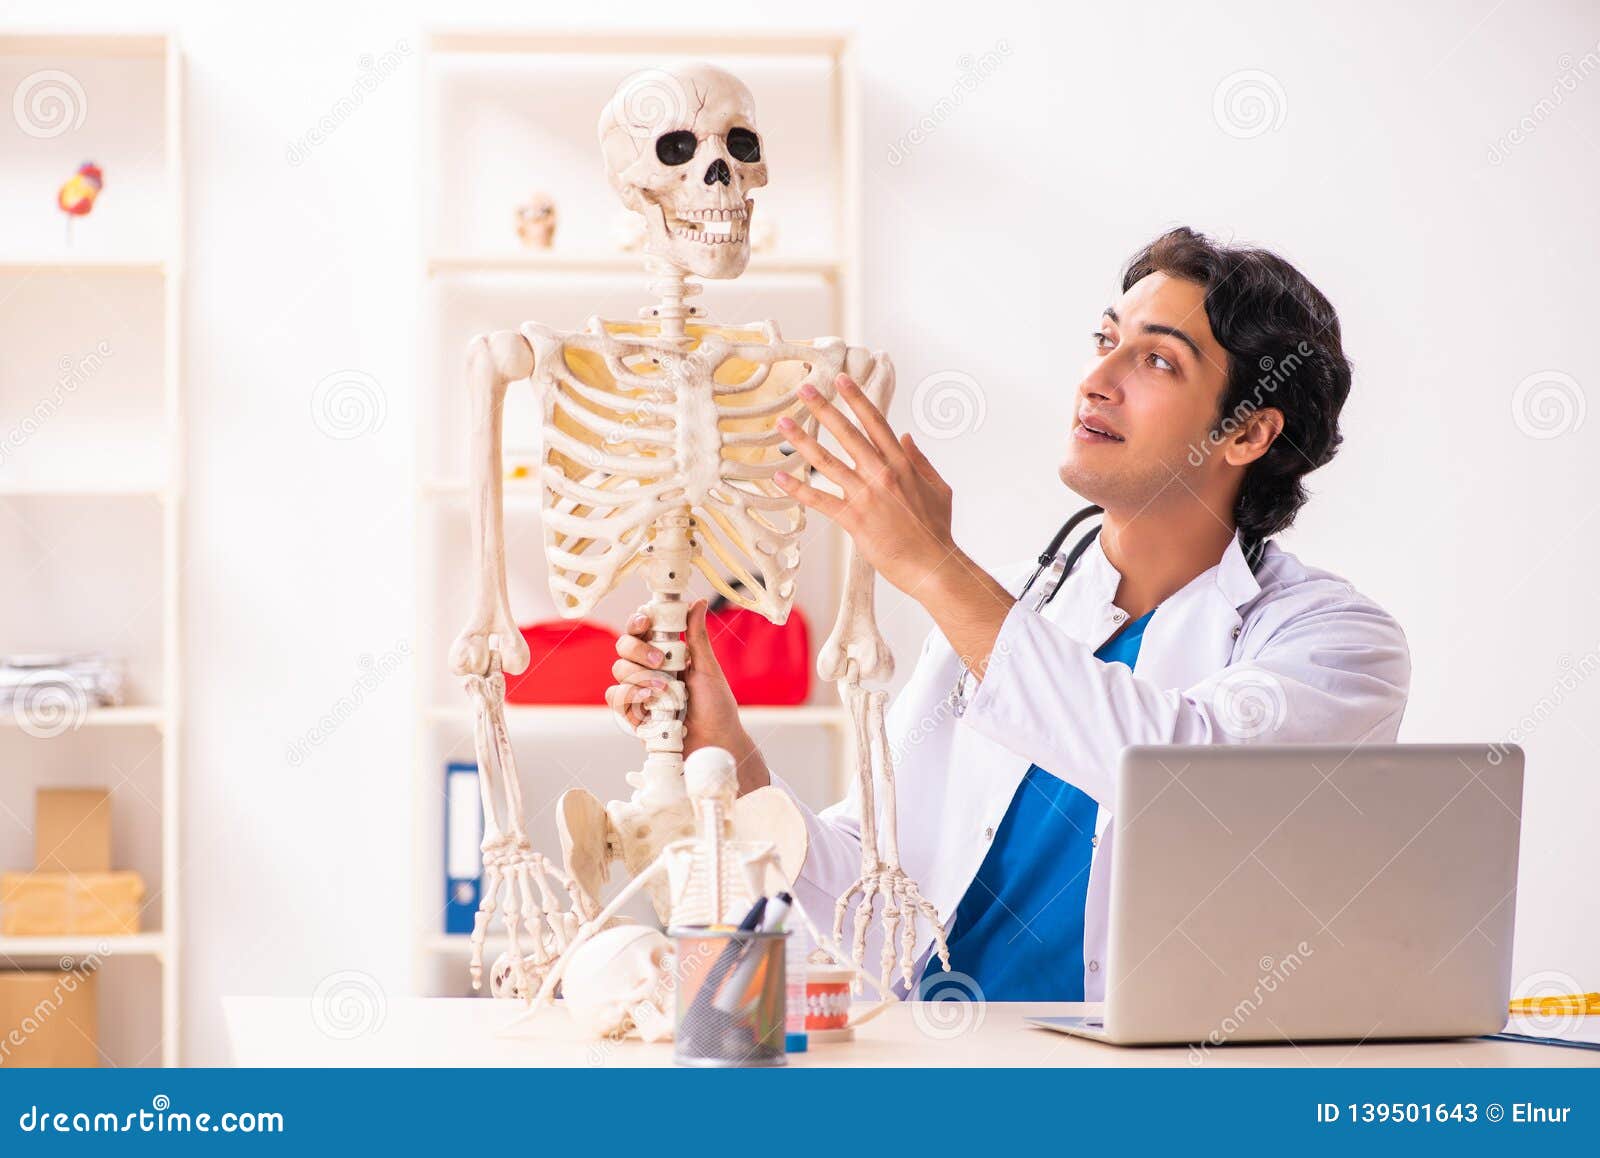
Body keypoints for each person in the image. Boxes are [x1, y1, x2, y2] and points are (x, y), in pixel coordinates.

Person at [605, 226, 1410, 1001]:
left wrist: (933, 565)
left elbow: (1184, 781)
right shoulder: (1011, 618)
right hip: (949, 1067)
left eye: (1158, 359)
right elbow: (876, 897)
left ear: (1249, 431)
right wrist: (733, 757)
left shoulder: (1333, 643)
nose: (1099, 379)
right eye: (1106, 340)